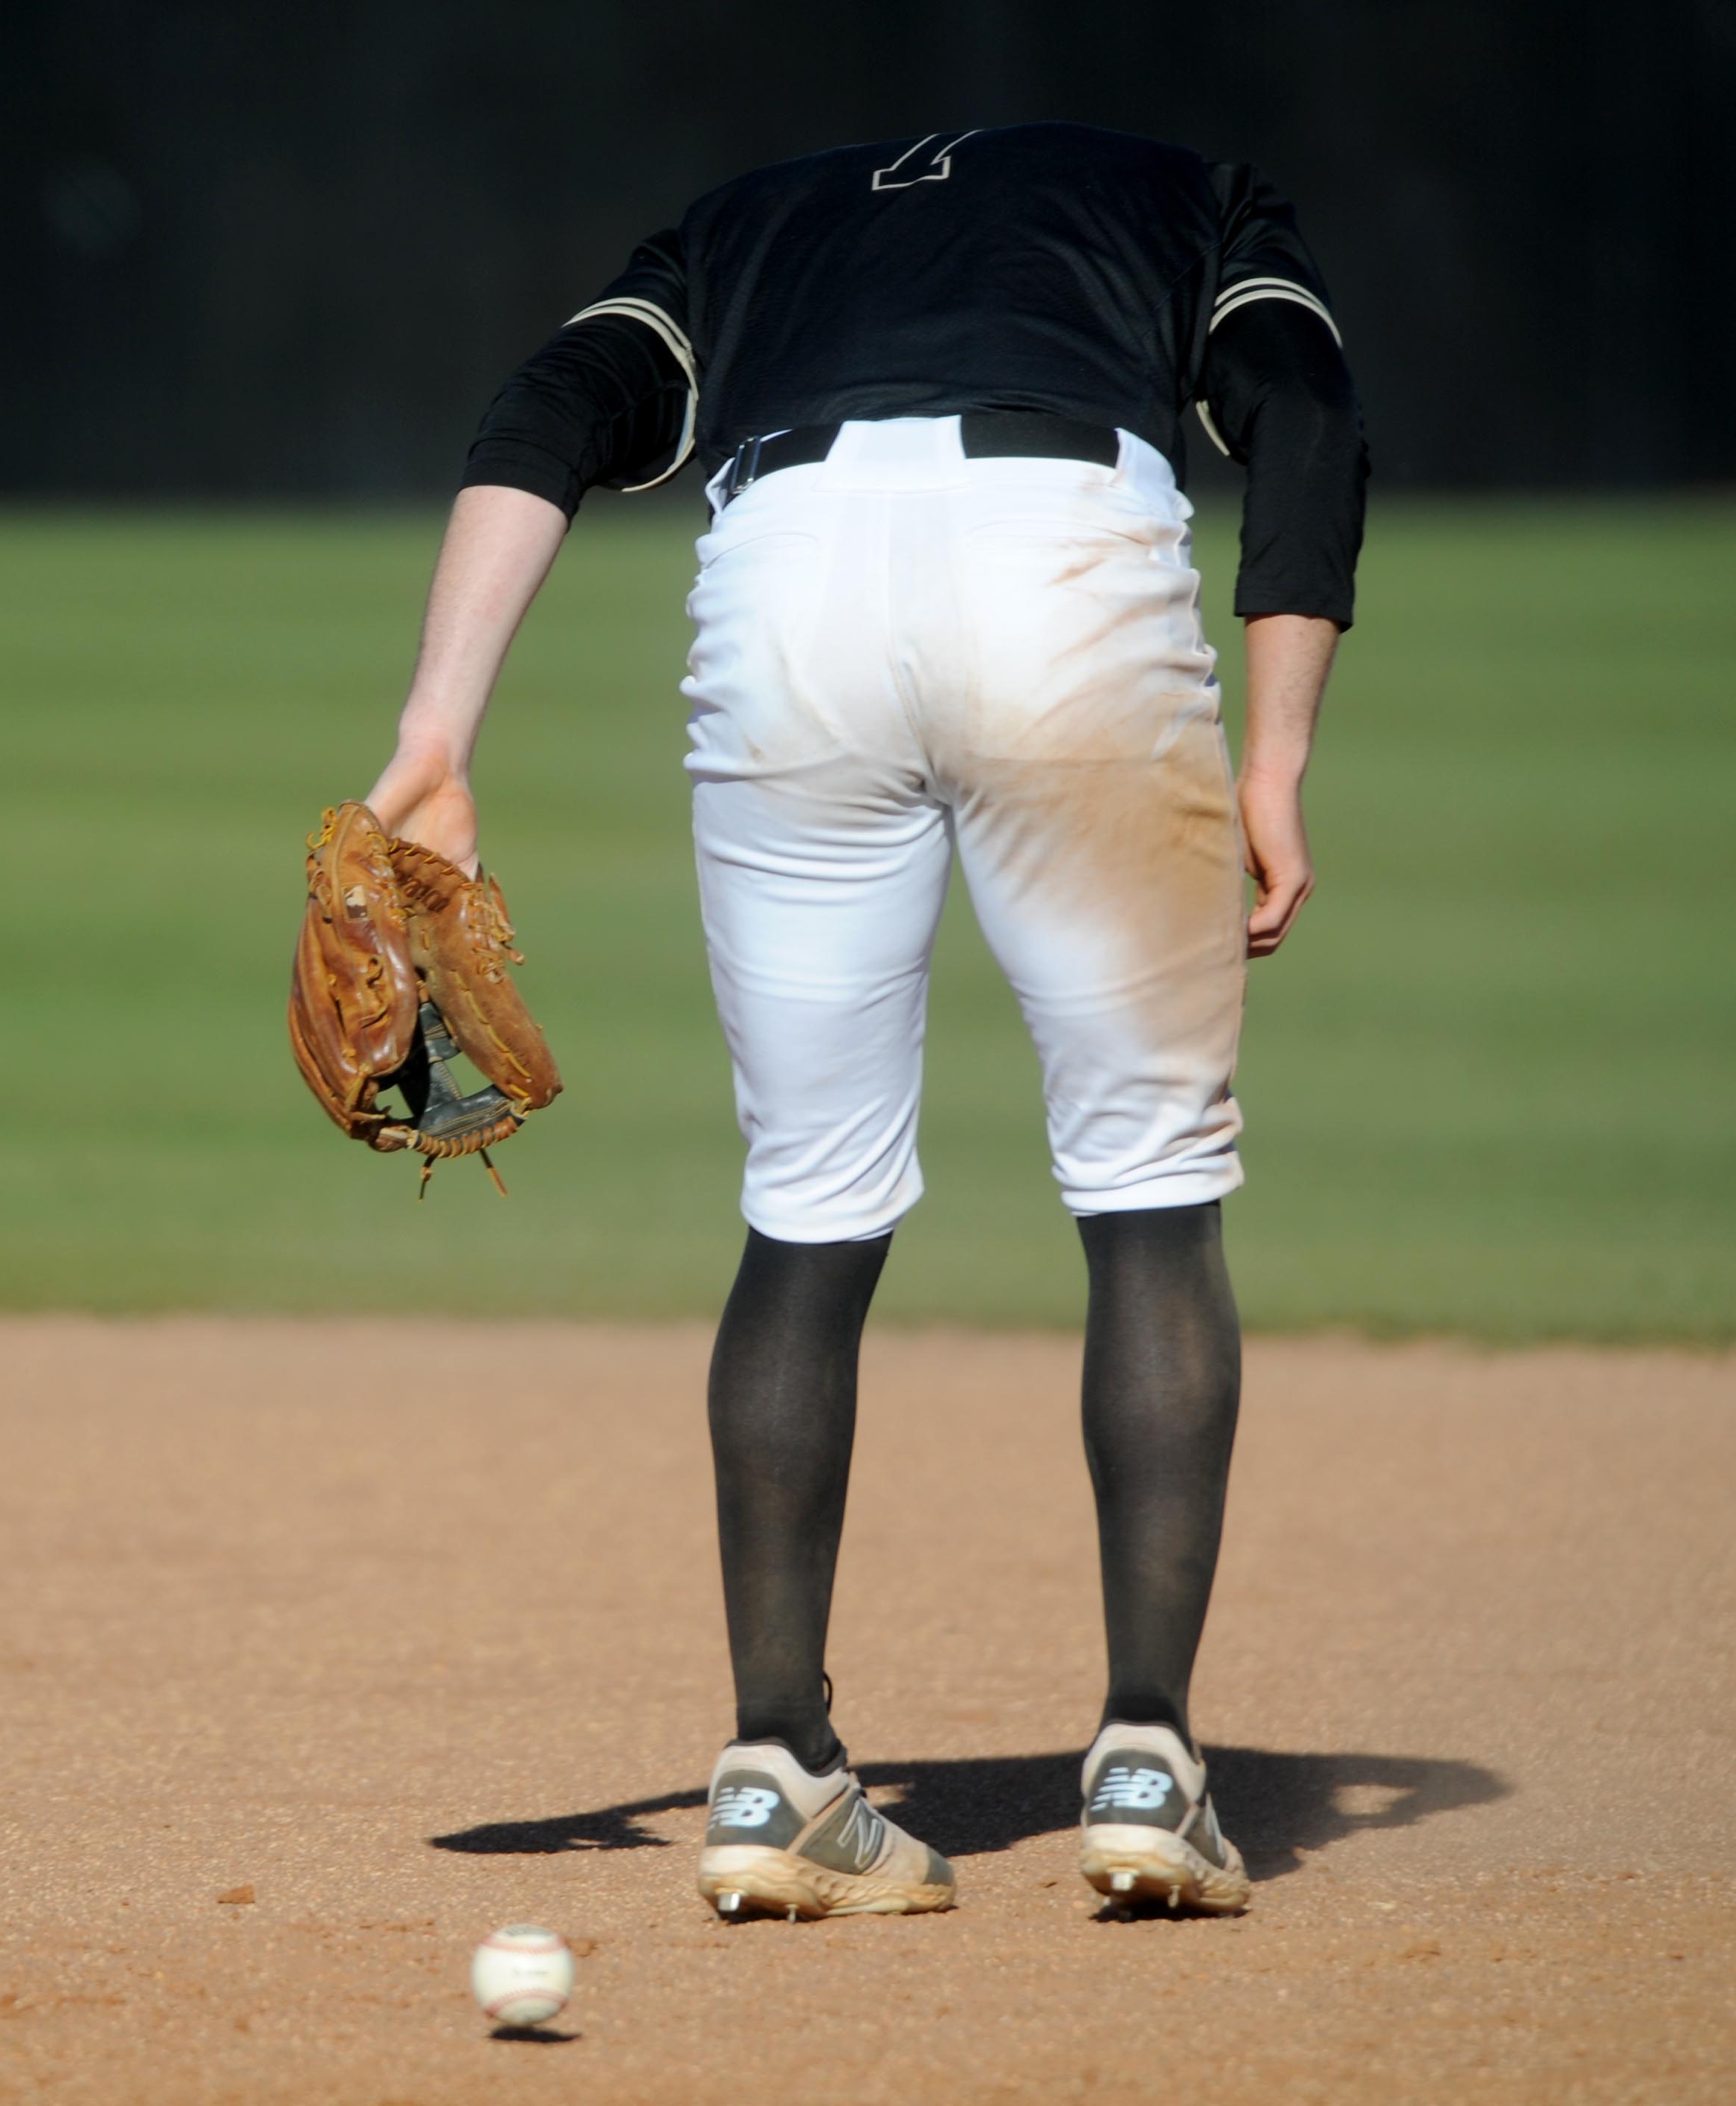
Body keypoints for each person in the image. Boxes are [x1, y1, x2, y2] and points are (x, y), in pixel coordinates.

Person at [364, 122, 1366, 1919]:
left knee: (804, 1197)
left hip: (788, 581)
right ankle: (1143, 1761)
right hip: (1062, 569)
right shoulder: (1179, 191)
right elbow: (1298, 402)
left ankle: (770, 1776)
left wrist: (435, 740)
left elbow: (544, 412)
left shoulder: (743, 218)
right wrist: (1277, 760)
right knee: (1147, 1186)